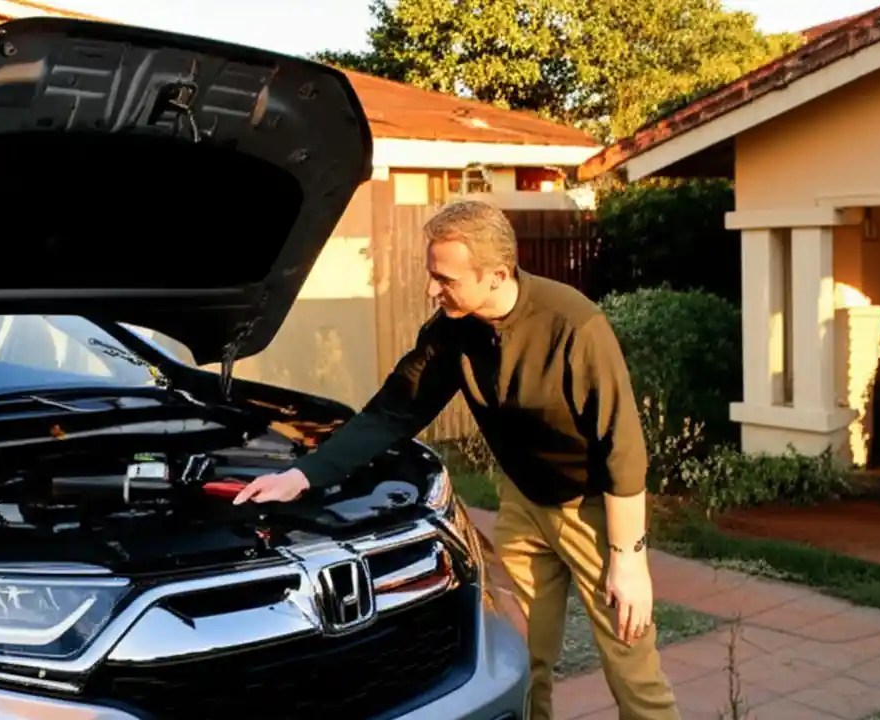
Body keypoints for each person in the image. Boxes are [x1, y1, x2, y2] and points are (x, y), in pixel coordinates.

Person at [232, 199, 680, 720]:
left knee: (632, 671)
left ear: (496, 275)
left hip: (597, 511)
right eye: (431, 276)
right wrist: (301, 476)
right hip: (523, 502)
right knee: (517, 657)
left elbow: (622, 446)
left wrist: (628, 559)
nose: (431, 290)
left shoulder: (573, 326)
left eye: (444, 278)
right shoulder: (453, 330)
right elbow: (392, 413)